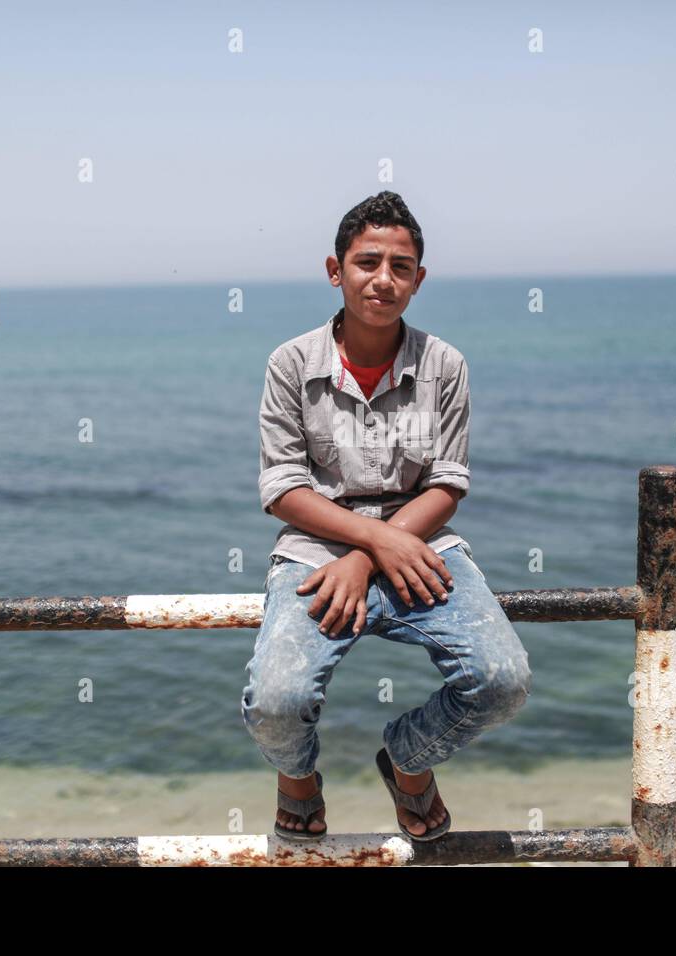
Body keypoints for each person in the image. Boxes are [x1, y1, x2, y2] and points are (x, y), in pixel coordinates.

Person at [242, 191, 532, 843]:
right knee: (276, 702)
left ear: (419, 279)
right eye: (367, 261)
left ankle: (407, 759)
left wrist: (369, 554)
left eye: (400, 267)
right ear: (334, 269)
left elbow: (447, 483)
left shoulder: (444, 365)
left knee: (503, 681)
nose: (383, 279)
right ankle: (297, 780)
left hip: (424, 545)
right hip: (316, 553)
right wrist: (369, 542)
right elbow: (283, 488)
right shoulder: (291, 363)